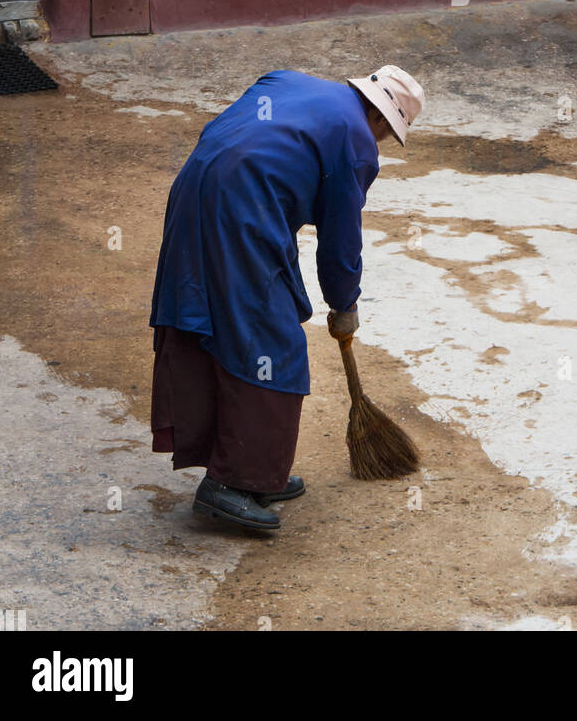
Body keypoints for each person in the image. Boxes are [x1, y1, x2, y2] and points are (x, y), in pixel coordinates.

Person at [149, 65, 424, 533]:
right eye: (386, 135)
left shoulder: (287, 82)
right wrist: (345, 306)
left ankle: (254, 472)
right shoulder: (356, 139)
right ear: (381, 120)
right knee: (270, 343)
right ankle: (230, 484)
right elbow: (340, 242)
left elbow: (244, 130)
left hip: (195, 186)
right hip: (240, 212)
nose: (379, 145)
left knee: (211, 317)